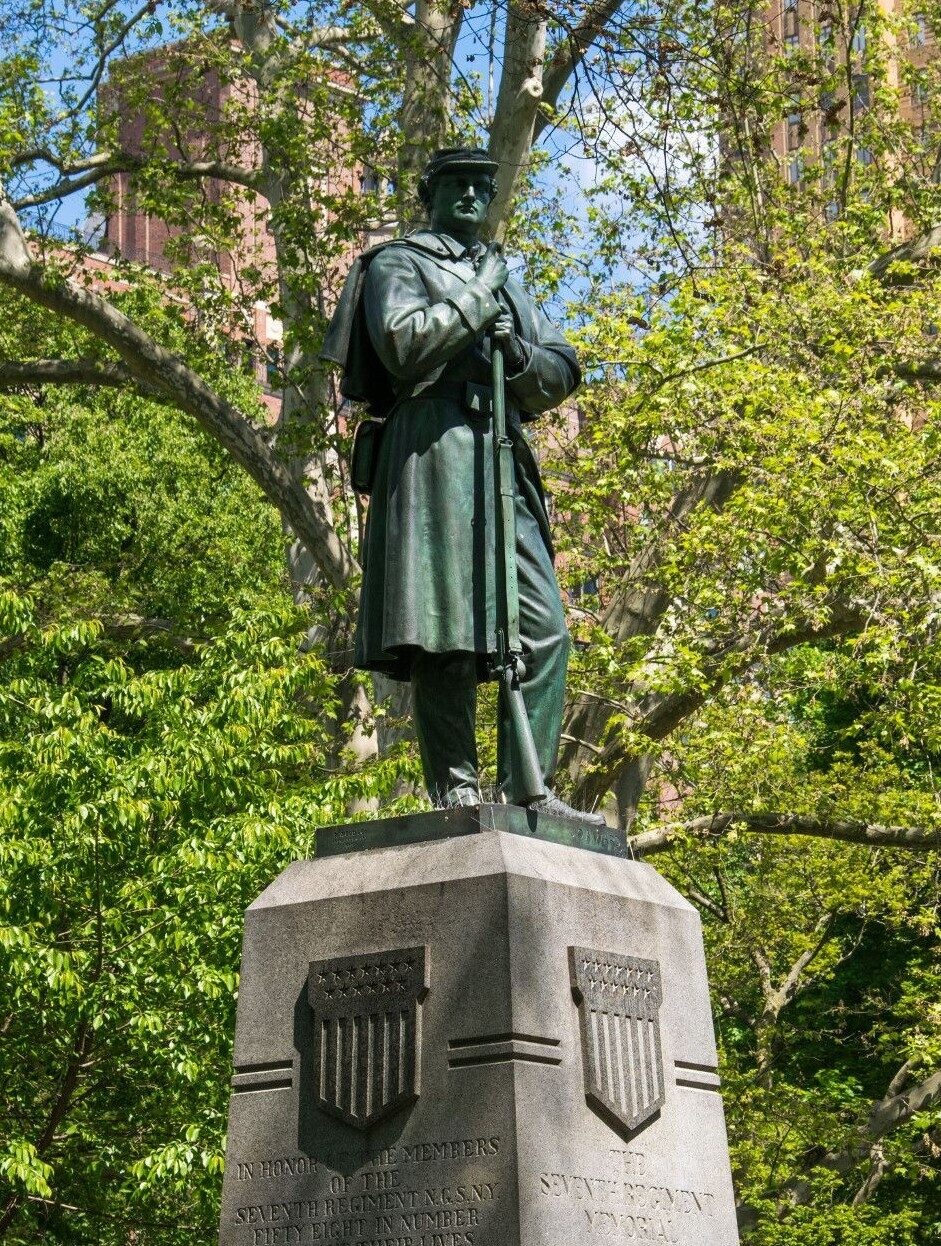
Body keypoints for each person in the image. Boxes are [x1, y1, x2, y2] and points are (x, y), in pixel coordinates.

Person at [323, 147, 604, 826]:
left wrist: (517, 351)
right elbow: (404, 345)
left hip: (500, 454)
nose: (473, 195)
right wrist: (478, 299)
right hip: (432, 448)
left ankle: (528, 787)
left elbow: (562, 368)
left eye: (483, 184)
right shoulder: (399, 263)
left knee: (544, 631)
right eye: (458, 184)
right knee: (443, 628)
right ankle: (456, 787)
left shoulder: (502, 275)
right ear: (431, 194)